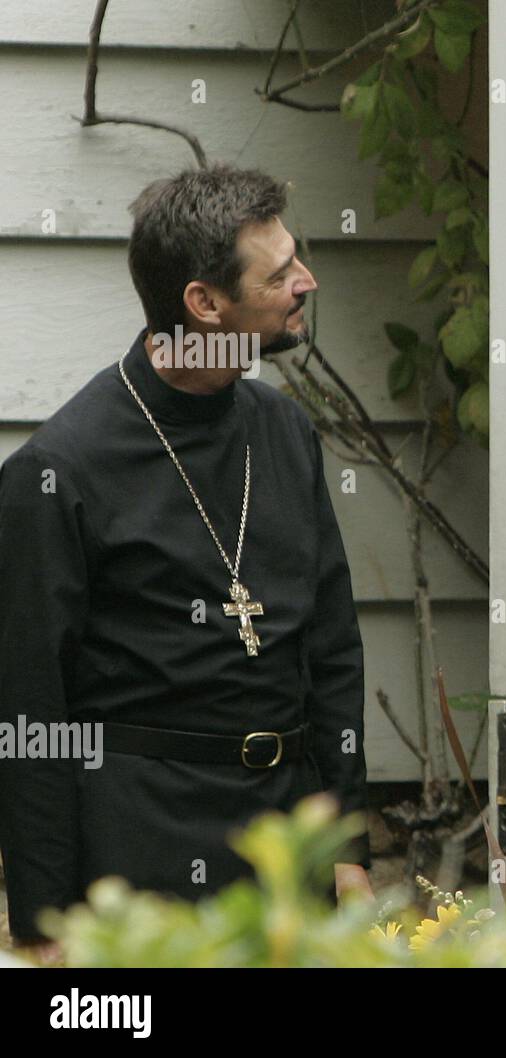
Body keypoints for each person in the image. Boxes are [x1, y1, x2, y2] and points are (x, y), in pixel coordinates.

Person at [0, 164, 372, 961]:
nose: (306, 282)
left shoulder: (284, 431)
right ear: (205, 305)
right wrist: (42, 924)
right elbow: (29, 711)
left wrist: (345, 846)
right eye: (279, 274)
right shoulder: (58, 473)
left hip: (286, 845)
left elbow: (333, 650)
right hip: (139, 858)